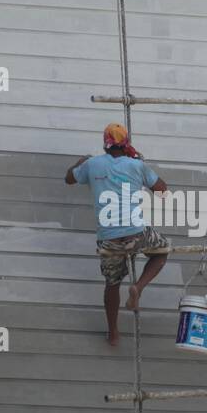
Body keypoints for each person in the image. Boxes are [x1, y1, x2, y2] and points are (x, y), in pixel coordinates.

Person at [66, 123, 170, 346]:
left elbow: (69, 179)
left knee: (112, 283)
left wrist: (80, 162)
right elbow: (163, 191)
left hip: (109, 238)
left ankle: (113, 333)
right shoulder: (136, 165)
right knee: (162, 251)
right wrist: (140, 164)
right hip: (136, 232)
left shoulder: (92, 164)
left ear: (105, 145)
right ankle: (138, 287)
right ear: (126, 143)